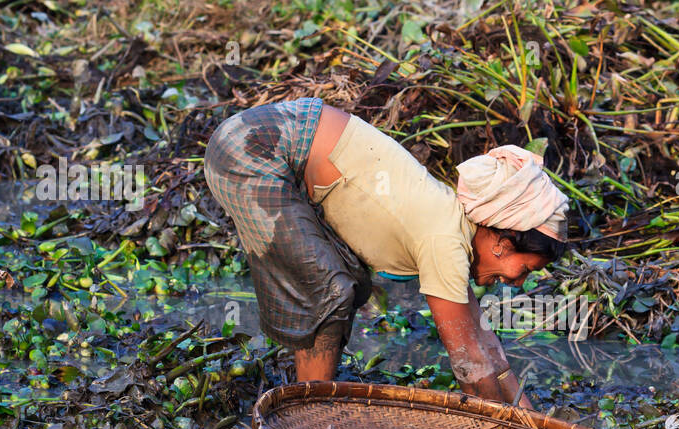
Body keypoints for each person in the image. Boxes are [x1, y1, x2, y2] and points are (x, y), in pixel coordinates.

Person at [203, 98, 569, 409]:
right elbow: (469, 362)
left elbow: (485, 346)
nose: (517, 281)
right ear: (502, 241)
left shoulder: (453, 231)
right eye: (524, 269)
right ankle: (310, 417)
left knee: (348, 282)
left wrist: (532, 420)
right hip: (252, 149)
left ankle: (311, 402)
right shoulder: (445, 239)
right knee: (328, 291)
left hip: (278, 143)